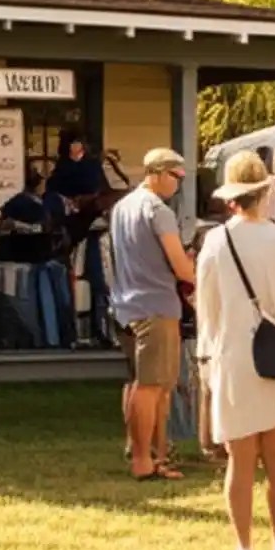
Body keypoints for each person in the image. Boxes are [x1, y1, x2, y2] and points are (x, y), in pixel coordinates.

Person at [196, 150, 275, 550]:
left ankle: (244, 548)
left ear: (232, 197)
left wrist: (206, 360)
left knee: (239, 462)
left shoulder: (214, 242)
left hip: (232, 357)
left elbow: (206, 309)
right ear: (264, 191)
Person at [110, 147, 195, 481]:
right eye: (176, 177)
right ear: (157, 173)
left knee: (139, 384)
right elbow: (180, 266)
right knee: (152, 387)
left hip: (124, 306)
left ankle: (148, 452)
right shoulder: (158, 210)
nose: (178, 185)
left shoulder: (121, 207)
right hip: (156, 306)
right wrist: (194, 270)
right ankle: (144, 461)